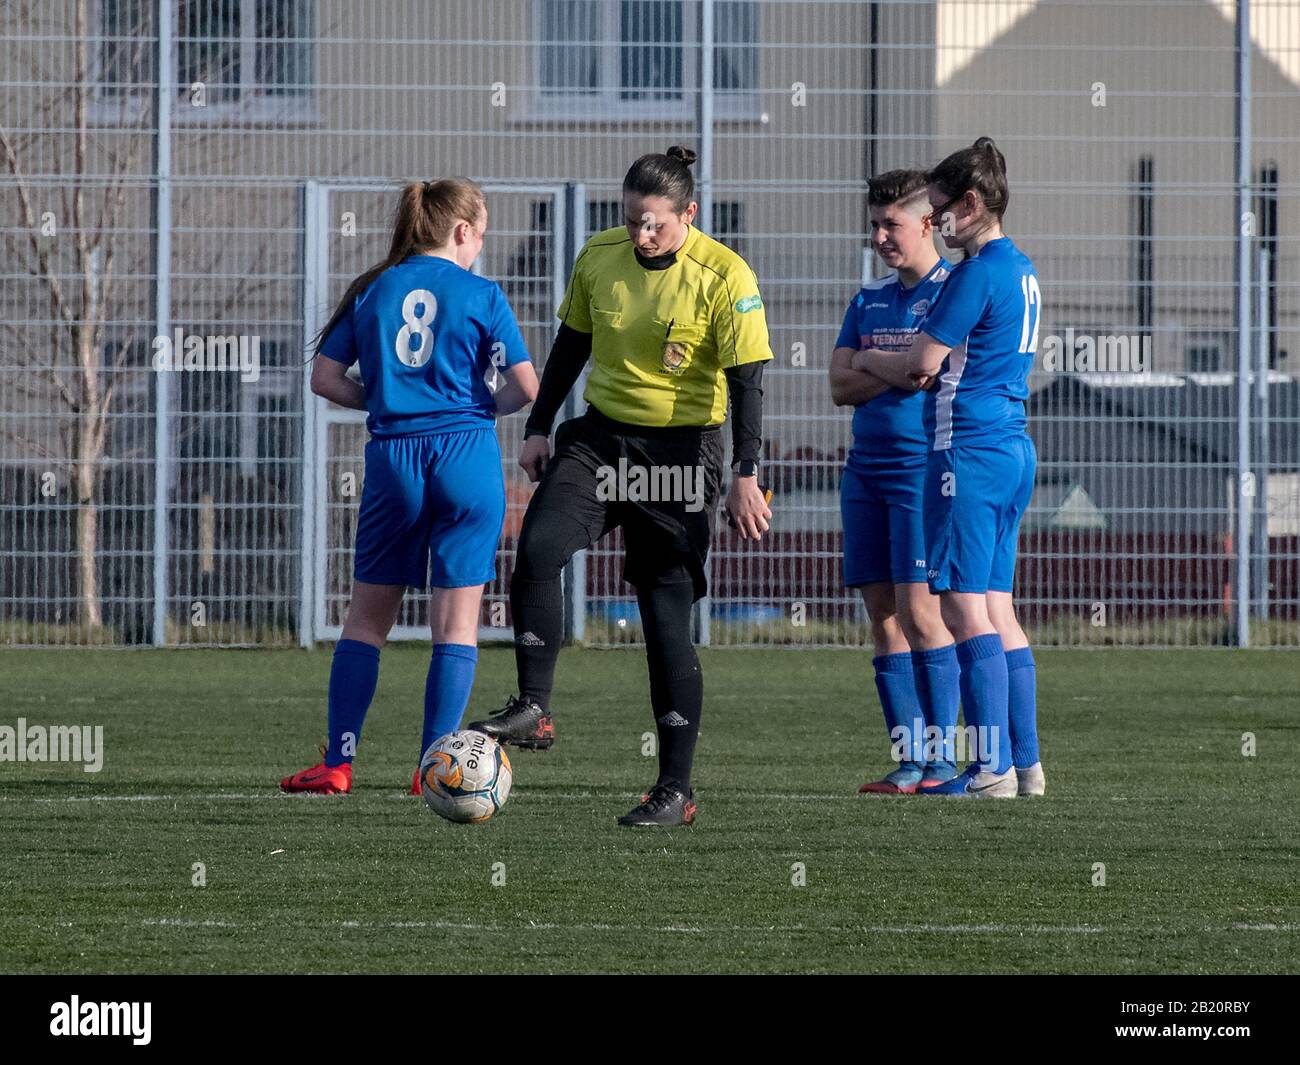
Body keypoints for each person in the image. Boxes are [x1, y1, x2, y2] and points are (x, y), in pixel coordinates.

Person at [467, 145, 773, 827]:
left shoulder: (724, 274)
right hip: (601, 437)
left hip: (684, 452)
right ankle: (534, 707)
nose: (640, 235)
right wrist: (541, 425)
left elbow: (747, 381)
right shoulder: (599, 257)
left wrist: (746, 474)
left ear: (688, 213)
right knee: (539, 546)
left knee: (666, 619)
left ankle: (674, 789)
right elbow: (570, 345)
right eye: (631, 219)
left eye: (655, 223)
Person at [281, 179, 538, 796]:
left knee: (367, 622)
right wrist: (479, 407)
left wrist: (391, 401)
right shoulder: (482, 293)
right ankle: (434, 770)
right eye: (481, 234)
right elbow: (527, 387)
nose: (481, 246)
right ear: (461, 232)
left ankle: (338, 763)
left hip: (395, 458)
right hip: (468, 458)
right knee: (455, 628)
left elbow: (324, 378)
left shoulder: (374, 288)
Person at [859, 137, 1044, 798]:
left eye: (939, 211)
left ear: (971, 204)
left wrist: (866, 363)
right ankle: (1026, 765)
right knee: (998, 607)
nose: (933, 221)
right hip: (1012, 447)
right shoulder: (1023, 268)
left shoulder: (977, 273)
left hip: (965, 449)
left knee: (964, 608)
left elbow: (919, 365)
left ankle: (988, 767)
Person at [830, 169, 960, 795]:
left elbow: (924, 375)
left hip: (920, 470)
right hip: (865, 471)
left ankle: (943, 762)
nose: (880, 235)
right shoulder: (867, 299)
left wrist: (871, 361)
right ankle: (909, 760)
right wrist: (897, 365)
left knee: (920, 611)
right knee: (881, 615)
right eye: (875, 224)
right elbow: (837, 386)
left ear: (929, 223)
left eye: (892, 224)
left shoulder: (951, 292)